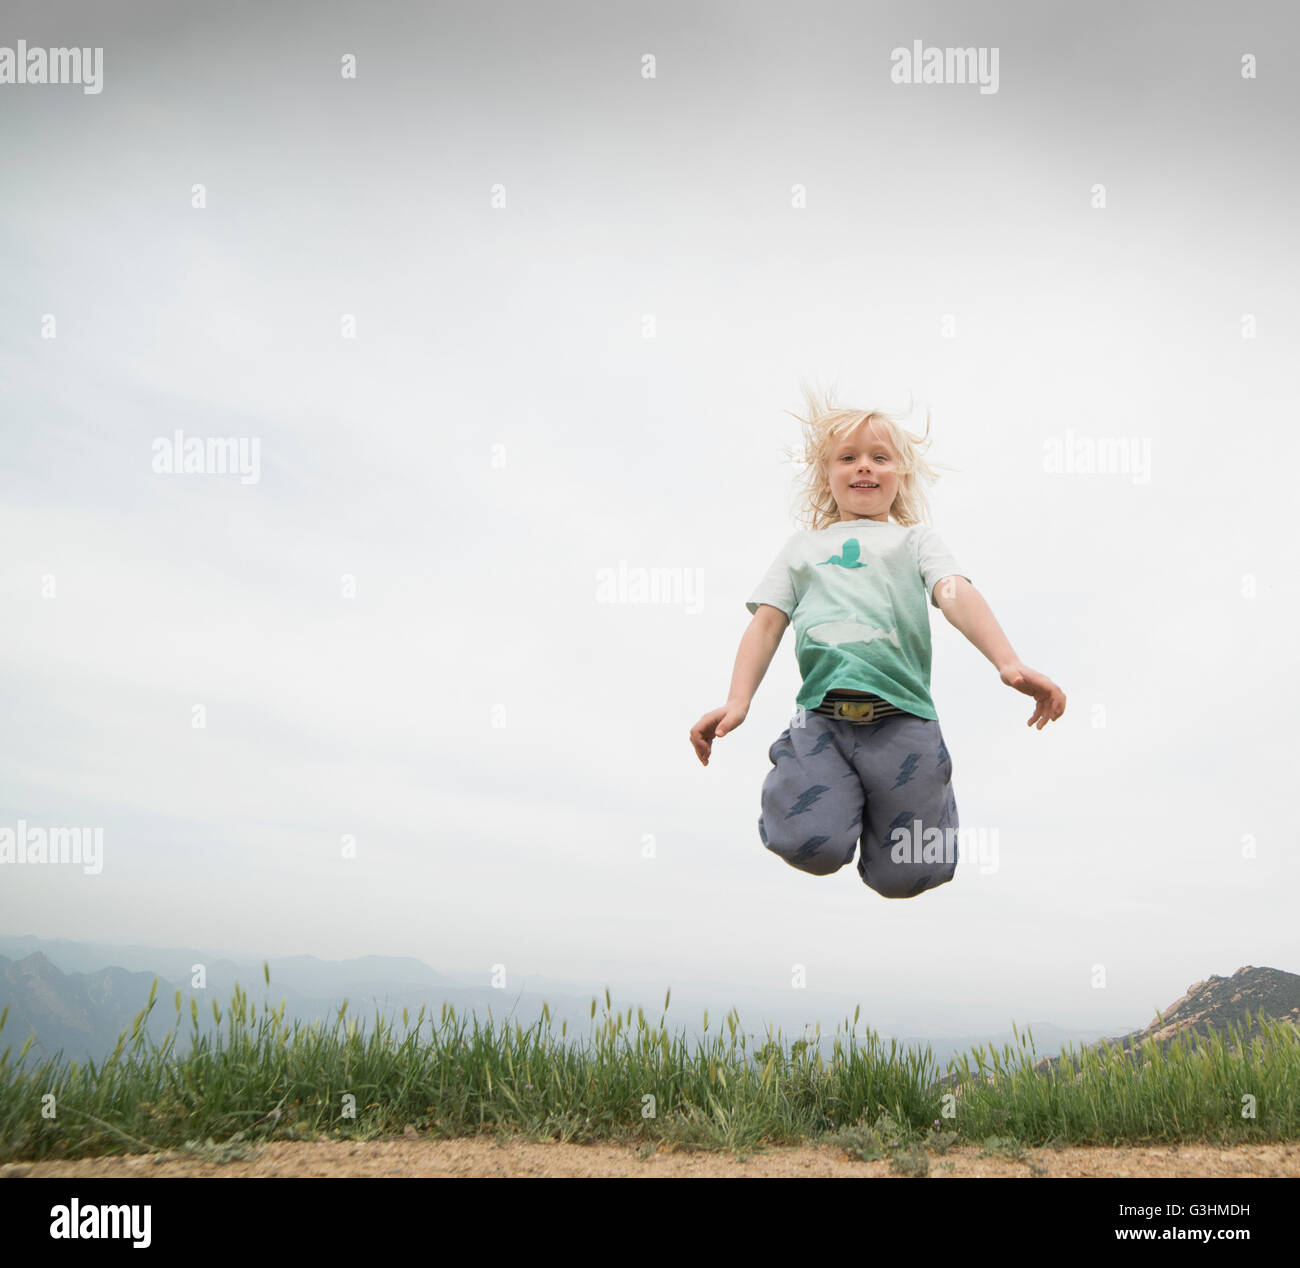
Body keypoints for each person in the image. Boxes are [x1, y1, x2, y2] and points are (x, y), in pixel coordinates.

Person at [689, 386, 1065, 898]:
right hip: (822, 719)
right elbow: (766, 624)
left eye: (879, 457)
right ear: (829, 476)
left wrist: (1009, 663)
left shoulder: (915, 542)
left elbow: (954, 593)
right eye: (849, 457)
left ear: (900, 475)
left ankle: (914, 800)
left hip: (905, 720)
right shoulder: (803, 550)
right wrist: (738, 700)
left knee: (908, 875)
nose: (864, 466)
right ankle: (830, 794)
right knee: (808, 845)